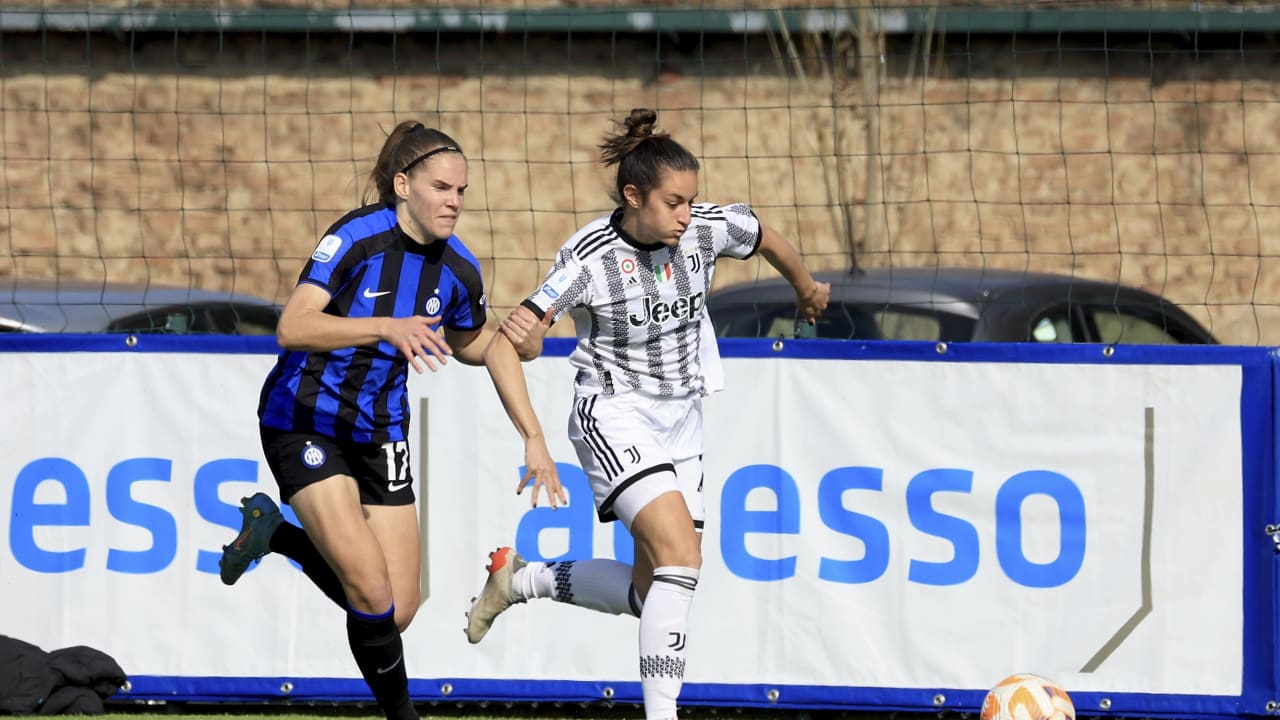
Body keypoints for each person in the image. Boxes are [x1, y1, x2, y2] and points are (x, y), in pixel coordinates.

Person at [463, 108, 830, 720]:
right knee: (682, 559)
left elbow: (761, 234)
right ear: (634, 197)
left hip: (682, 421)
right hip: (614, 415)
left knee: (648, 591)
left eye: (691, 200)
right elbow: (510, 341)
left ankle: (517, 581)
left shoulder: (705, 230)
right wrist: (533, 431)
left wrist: (807, 286)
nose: (686, 215)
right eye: (673, 202)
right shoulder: (586, 257)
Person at [217, 120, 566, 720]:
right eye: (441, 188)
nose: (453, 201)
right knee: (372, 594)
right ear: (403, 185)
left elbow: (474, 343)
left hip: (381, 433)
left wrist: (526, 390)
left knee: (398, 608)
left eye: (461, 190)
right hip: (306, 420)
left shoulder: (459, 268)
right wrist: (384, 326)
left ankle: (273, 535)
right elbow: (291, 327)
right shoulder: (355, 238)